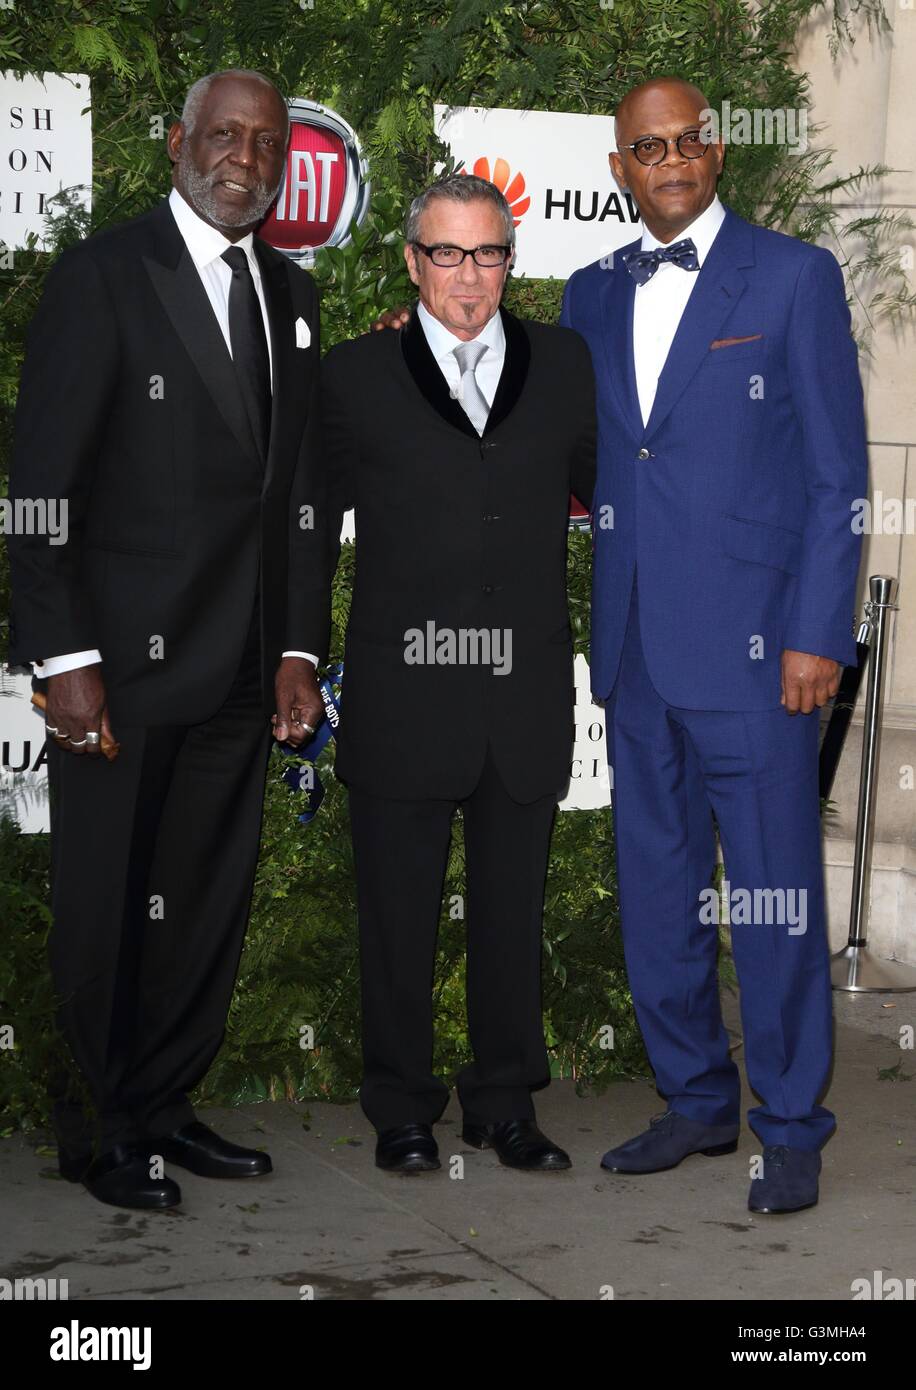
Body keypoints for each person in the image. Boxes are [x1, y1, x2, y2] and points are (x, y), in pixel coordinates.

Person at [7, 69, 327, 1210]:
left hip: (241, 673)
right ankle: (100, 1132)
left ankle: (166, 1106)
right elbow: (39, 489)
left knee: (200, 903)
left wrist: (297, 646)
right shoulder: (104, 277)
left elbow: (296, 496)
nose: (244, 156)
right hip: (121, 677)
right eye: (223, 135)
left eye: (265, 141)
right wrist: (62, 660)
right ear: (180, 146)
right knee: (108, 900)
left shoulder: (293, 293)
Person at [560, 76, 867, 1213]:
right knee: (658, 888)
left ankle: (789, 1122)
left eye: (689, 140)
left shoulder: (791, 276)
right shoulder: (587, 292)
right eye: (648, 147)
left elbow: (841, 473)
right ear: (620, 170)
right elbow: (575, 446)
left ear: (719, 151)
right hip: (636, 648)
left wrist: (815, 635)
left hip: (759, 656)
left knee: (774, 894)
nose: (672, 159)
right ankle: (694, 1099)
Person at [322, 174, 595, 1173]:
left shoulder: (565, 365)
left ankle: (503, 1101)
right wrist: (297, 652)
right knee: (394, 915)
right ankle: (399, 1105)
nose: (468, 277)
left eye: (486, 254)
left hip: (521, 695)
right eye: (446, 253)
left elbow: (619, 503)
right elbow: (303, 530)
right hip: (404, 694)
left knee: (510, 913)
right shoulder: (355, 375)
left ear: (509, 261)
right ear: (410, 260)